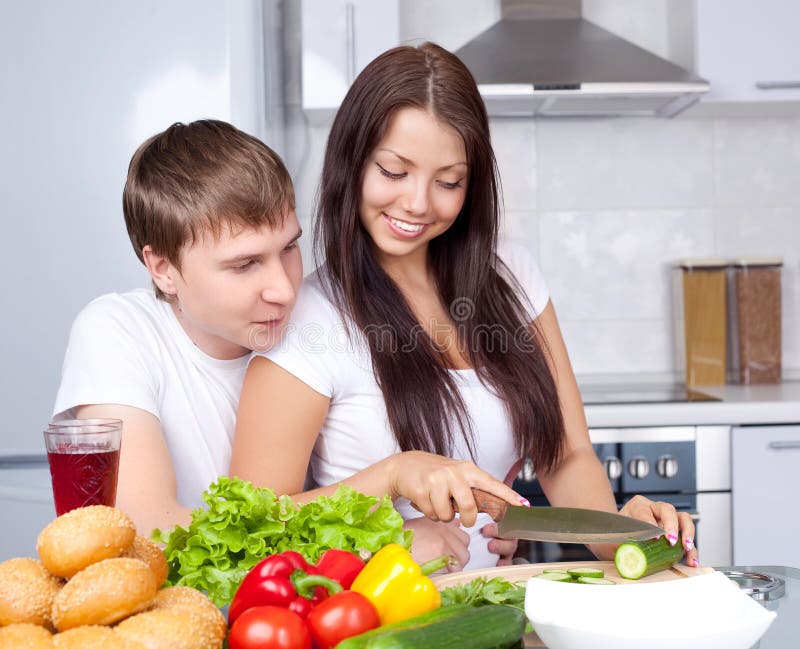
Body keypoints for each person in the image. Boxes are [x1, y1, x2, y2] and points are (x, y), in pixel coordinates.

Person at [231, 43, 698, 571]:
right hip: (379, 624)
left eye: (448, 181)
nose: (418, 203)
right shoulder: (310, 318)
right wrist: (389, 520)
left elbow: (565, 453)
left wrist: (625, 534)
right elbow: (257, 532)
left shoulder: (512, 275)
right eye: (393, 171)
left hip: (490, 613)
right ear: (351, 161)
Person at [52, 119, 304, 534]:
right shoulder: (117, 331)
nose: (284, 290)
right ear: (162, 268)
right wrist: (375, 500)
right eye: (244, 265)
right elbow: (151, 526)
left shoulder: (318, 319)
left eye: (290, 247)